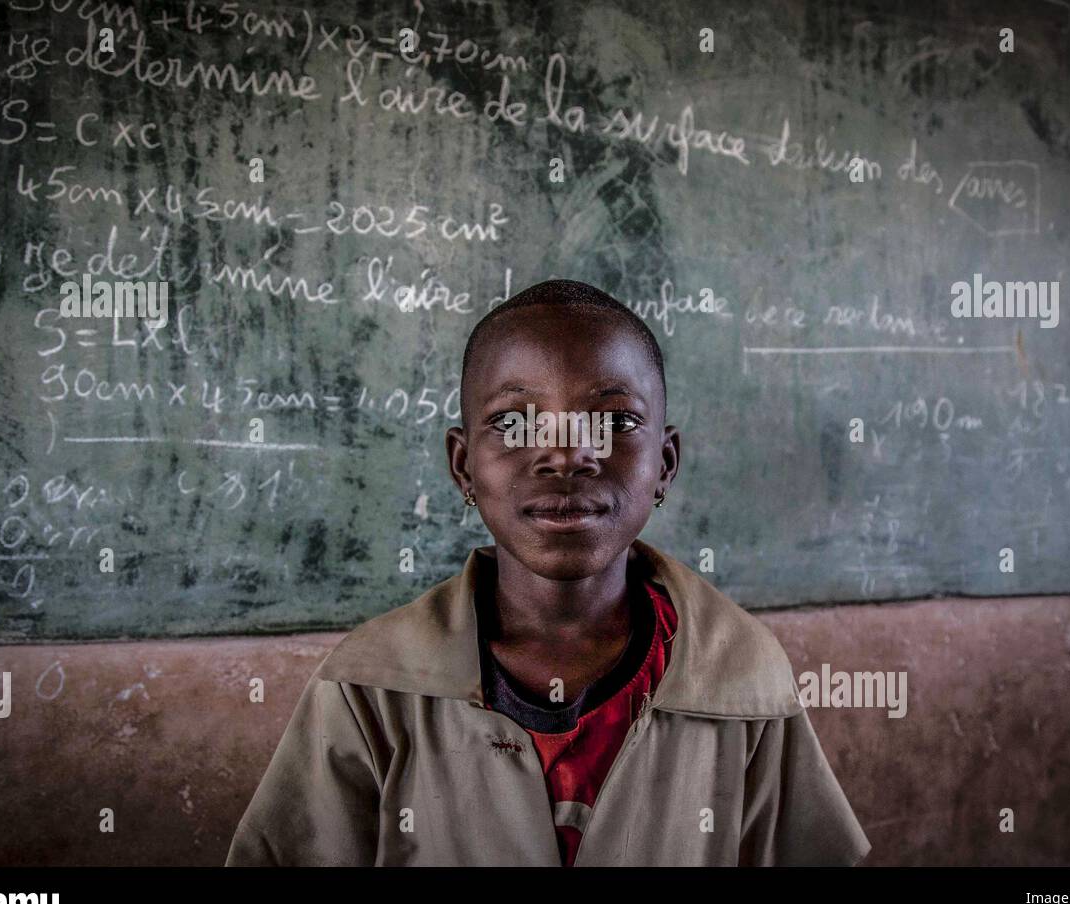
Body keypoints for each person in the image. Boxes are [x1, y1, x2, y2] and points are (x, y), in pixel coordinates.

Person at [226, 279, 871, 866]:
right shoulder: (371, 687)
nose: (566, 453)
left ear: (666, 463)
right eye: (515, 422)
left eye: (614, 421)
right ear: (462, 467)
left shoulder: (743, 679)